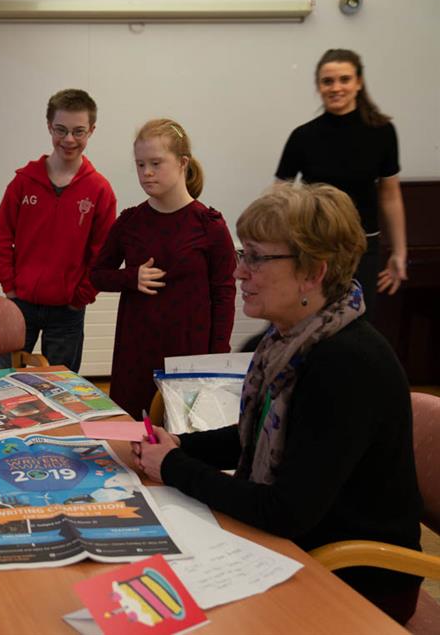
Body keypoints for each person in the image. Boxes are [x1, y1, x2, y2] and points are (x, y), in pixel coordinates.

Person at [133, 183, 423, 625]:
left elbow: (284, 512)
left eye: (256, 258)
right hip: (307, 548)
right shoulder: (292, 341)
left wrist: (174, 466)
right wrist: (181, 446)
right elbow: (256, 434)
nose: (239, 272)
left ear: (313, 273)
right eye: (243, 254)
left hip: (355, 576)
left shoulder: (345, 363)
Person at [90, 119, 236, 418]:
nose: (146, 172)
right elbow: (97, 275)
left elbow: (224, 295)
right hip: (136, 351)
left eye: (156, 163)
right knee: (134, 427)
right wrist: (131, 277)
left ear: (183, 163)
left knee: (180, 428)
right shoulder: (130, 222)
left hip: (188, 352)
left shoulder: (209, 225)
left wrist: (217, 357)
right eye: (140, 164)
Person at [0, 88, 117, 373]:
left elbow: (103, 252)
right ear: (49, 127)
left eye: (78, 131)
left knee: (61, 385)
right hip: (20, 304)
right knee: (4, 381)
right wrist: (10, 286)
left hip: (67, 311)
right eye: (61, 130)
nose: (69, 139)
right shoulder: (23, 182)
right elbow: (0, 234)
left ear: (91, 131)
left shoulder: (99, 190)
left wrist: (81, 296)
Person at [276, 48, 407, 320]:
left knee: (359, 323)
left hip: (363, 246)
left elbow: (390, 196)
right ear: (319, 86)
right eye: (328, 81)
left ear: (358, 83)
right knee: (313, 323)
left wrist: (399, 252)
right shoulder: (303, 136)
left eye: (344, 79)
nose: (336, 88)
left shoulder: (382, 132)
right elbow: (279, 197)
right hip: (317, 246)